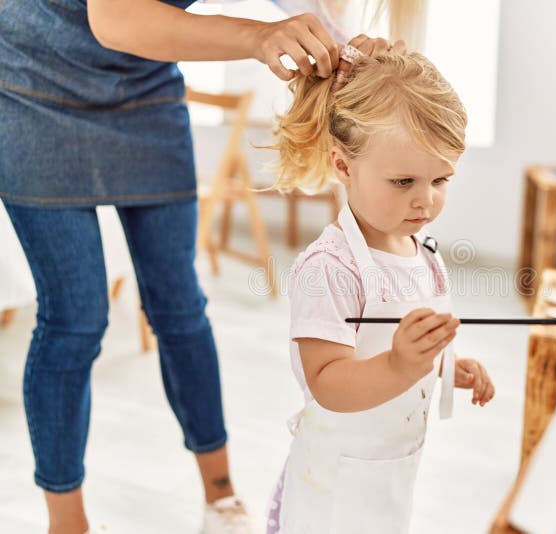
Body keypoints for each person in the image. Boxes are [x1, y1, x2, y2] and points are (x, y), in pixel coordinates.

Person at [0, 1, 400, 532]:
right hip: (34, 85)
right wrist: (258, 37)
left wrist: (348, 49)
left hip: (143, 88)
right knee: (75, 319)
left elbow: (315, 16)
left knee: (179, 308)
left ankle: (221, 498)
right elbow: (114, 19)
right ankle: (67, 524)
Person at [265, 47, 496, 533]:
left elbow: (402, 347)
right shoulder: (330, 268)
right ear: (343, 166)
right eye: (403, 181)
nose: (425, 200)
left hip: (390, 475)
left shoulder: (423, 254)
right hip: (332, 489)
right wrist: (400, 365)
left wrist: (442, 366)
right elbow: (326, 382)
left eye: (440, 179)